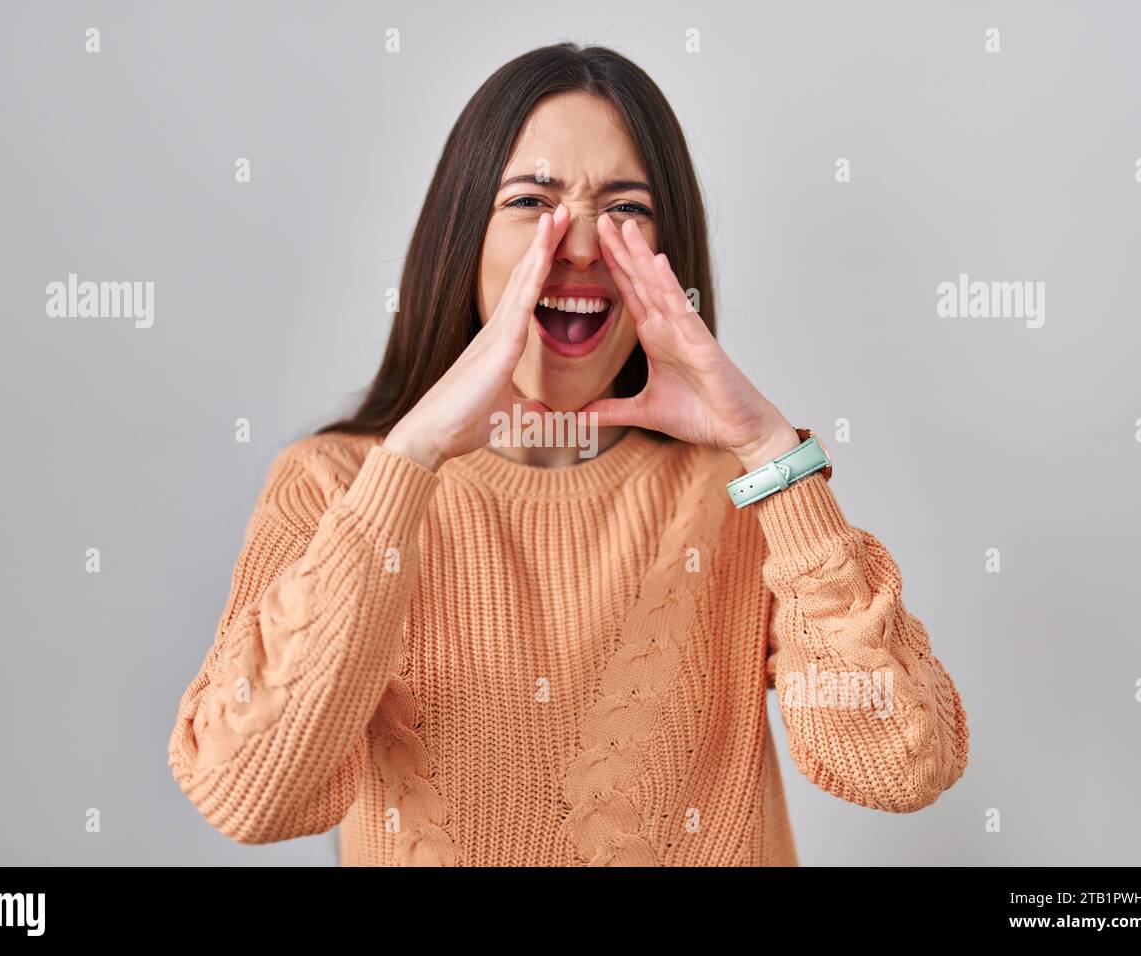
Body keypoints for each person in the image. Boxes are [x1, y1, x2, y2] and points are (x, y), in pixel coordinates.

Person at [166, 42, 968, 866]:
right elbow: (245, 790)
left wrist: (771, 452)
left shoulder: (744, 489)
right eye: (531, 200)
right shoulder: (334, 486)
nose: (580, 244)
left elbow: (900, 764)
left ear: (667, 257)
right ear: (461, 238)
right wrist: (408, 464)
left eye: (626, 208)